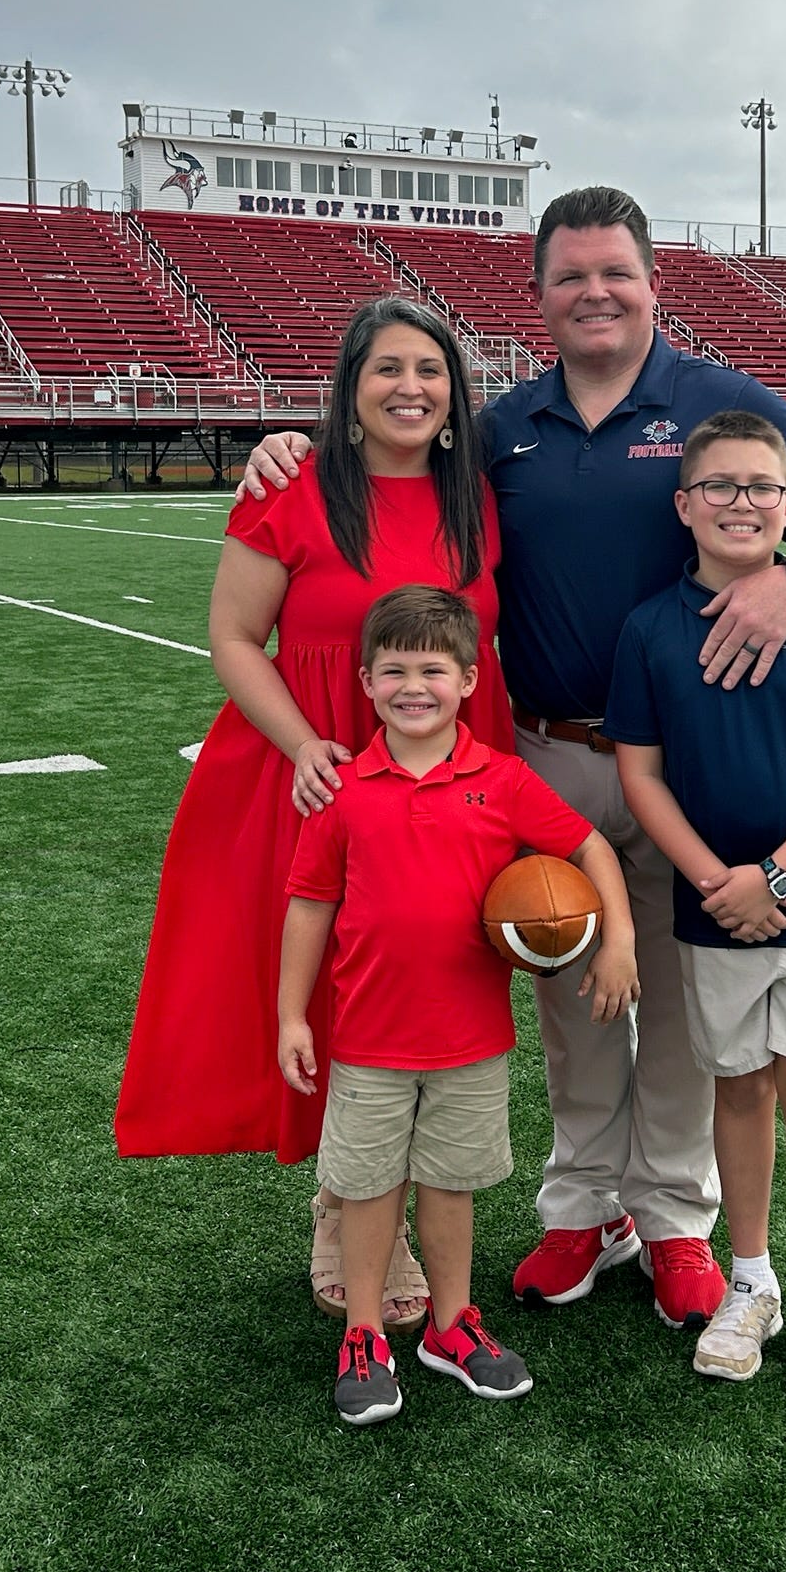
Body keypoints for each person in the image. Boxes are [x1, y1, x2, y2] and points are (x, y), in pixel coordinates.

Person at [243, 185, 786, 1333]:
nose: (596, 292)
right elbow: (389, 456)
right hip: (548, 751)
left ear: (653, 282)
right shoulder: (504, 423)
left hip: (694, 765)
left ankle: (677, 1215)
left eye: (616, 272)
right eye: (571, 275)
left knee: (689, 1004)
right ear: (538, 297)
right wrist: (291, 438)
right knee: (574, 992)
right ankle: (584, 1202)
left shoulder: (720, 398)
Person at [116, 294, 514, 1336]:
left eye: (430, 369)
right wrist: (304, 745)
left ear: (454, 392)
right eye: (386, 368)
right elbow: (235, 635)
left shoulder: (476, 491)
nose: (410, 388)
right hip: (322, 766)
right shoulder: (291, 488)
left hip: (451, 771)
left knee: (435, 978)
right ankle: (341, 1203)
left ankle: (423, 1208)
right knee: (339, 981)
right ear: (348, 386)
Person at [279, 585, 637, 1426]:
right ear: (366, 682)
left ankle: (449, 1323)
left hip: (471, 1041)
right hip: (367, 1039)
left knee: (450, 1186)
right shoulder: (343, 791)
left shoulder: (502, 779)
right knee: (369, 1190)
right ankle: (364, 1331)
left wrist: (616, 937)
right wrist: (293, 1015)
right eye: (394, 670)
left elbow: (586, 844)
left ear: (471, 680)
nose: (414, 686)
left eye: (433, 669)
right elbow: (308, 906)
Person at [604, 410, 786, 1394]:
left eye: (763, 487)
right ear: (684, 505)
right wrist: (713, 882)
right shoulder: (649, 628)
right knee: (738, 1086)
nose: (742, 502)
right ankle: (750, 1276)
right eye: (720, 485)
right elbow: (640, 775)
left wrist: (773, 876)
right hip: (714, 907)